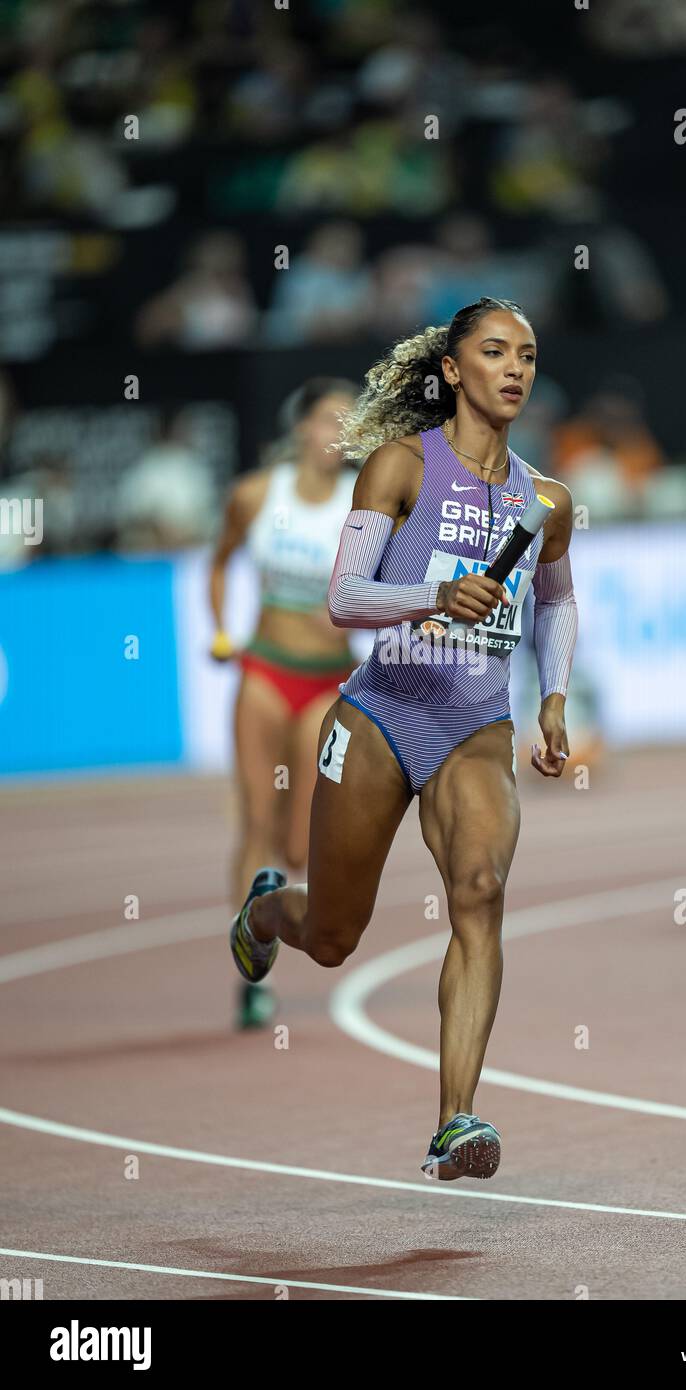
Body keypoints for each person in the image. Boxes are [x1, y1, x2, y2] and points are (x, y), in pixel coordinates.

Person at [228, 298, 578, 1179]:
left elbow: (558, 599)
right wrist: (434, 596)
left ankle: (455, 1121)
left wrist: (555, 700)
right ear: (453, 370)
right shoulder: (398, 467)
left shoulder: (547, 501)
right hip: (382, 712)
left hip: (475, 728)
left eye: (527, 356)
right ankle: (270, 905)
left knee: (483, 888)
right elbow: (345, 599)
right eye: (494, 352)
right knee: (336, 935)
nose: (515, 369)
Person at [210, 377, 358, 1026]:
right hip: (265, 672)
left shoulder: (365, 506)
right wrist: (219, 627)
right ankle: (251, 974)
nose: (339, 436)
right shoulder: (254, 495)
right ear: (302, 426)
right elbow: (218, 562)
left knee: (299, 846)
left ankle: (270, 904)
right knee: (255, 820)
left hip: (328, 679)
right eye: (330, 420)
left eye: (351, 425)